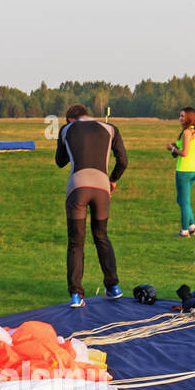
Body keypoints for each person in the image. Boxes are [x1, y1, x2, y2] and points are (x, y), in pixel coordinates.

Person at [55, 104, 127, 308]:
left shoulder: (66, 130)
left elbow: (60, 161)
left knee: (76, 242)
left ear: (70, 120)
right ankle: (113, 287)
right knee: (101, 236)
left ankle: (76, 295)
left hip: (77, 188)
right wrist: (112, 180)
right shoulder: (110, 128)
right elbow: (123, 161)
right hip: (102, 189)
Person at [167, 107, 195, 236]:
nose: (180, 118)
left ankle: (184, 231)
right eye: (180, 116)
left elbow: (184, 153)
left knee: (184, 201)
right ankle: (192, 227)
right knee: (182, 200)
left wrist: (172, 149)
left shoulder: (187, 133)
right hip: (193, 170)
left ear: (189, 118)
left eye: (183, 116)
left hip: (184, 171)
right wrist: (177, 146)